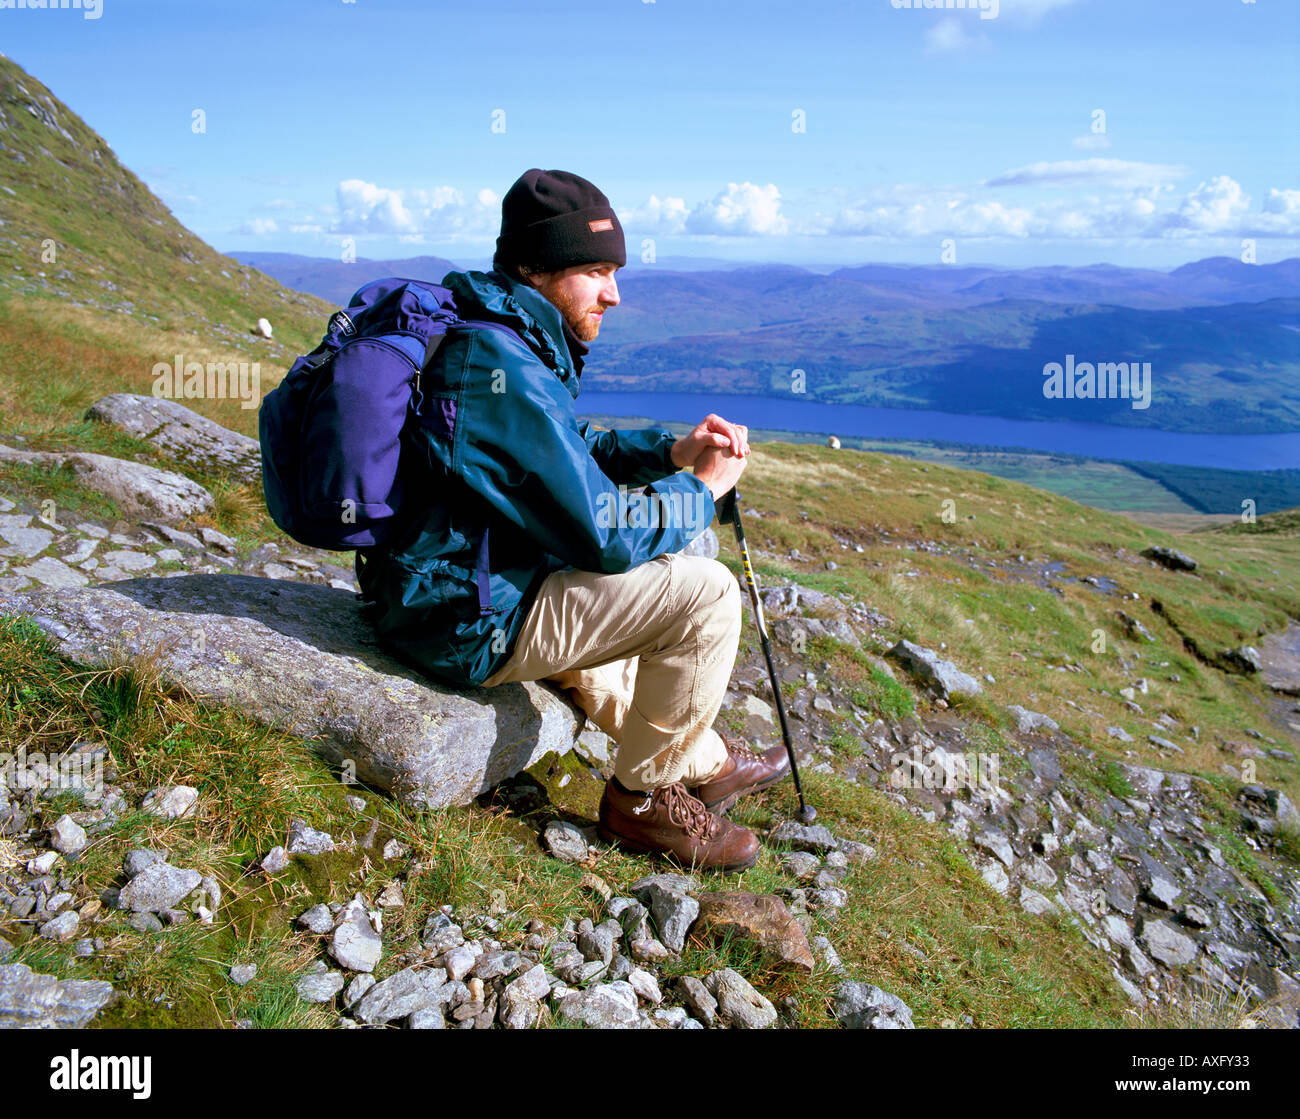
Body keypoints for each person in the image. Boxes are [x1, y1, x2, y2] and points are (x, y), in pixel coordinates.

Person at [358, 168, 789, 871]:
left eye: (613, 271)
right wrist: (701, 489)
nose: (613, 293)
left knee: (634, 577)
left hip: (450, 585)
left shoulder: (496, 337)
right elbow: (608, 535)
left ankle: (705, 763)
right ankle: (643, 802)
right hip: (466, 619)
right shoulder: (495, 360)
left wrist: (668, 452)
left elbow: (562, 450)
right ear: (537, 266)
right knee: (704, 592)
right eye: (594, 270)